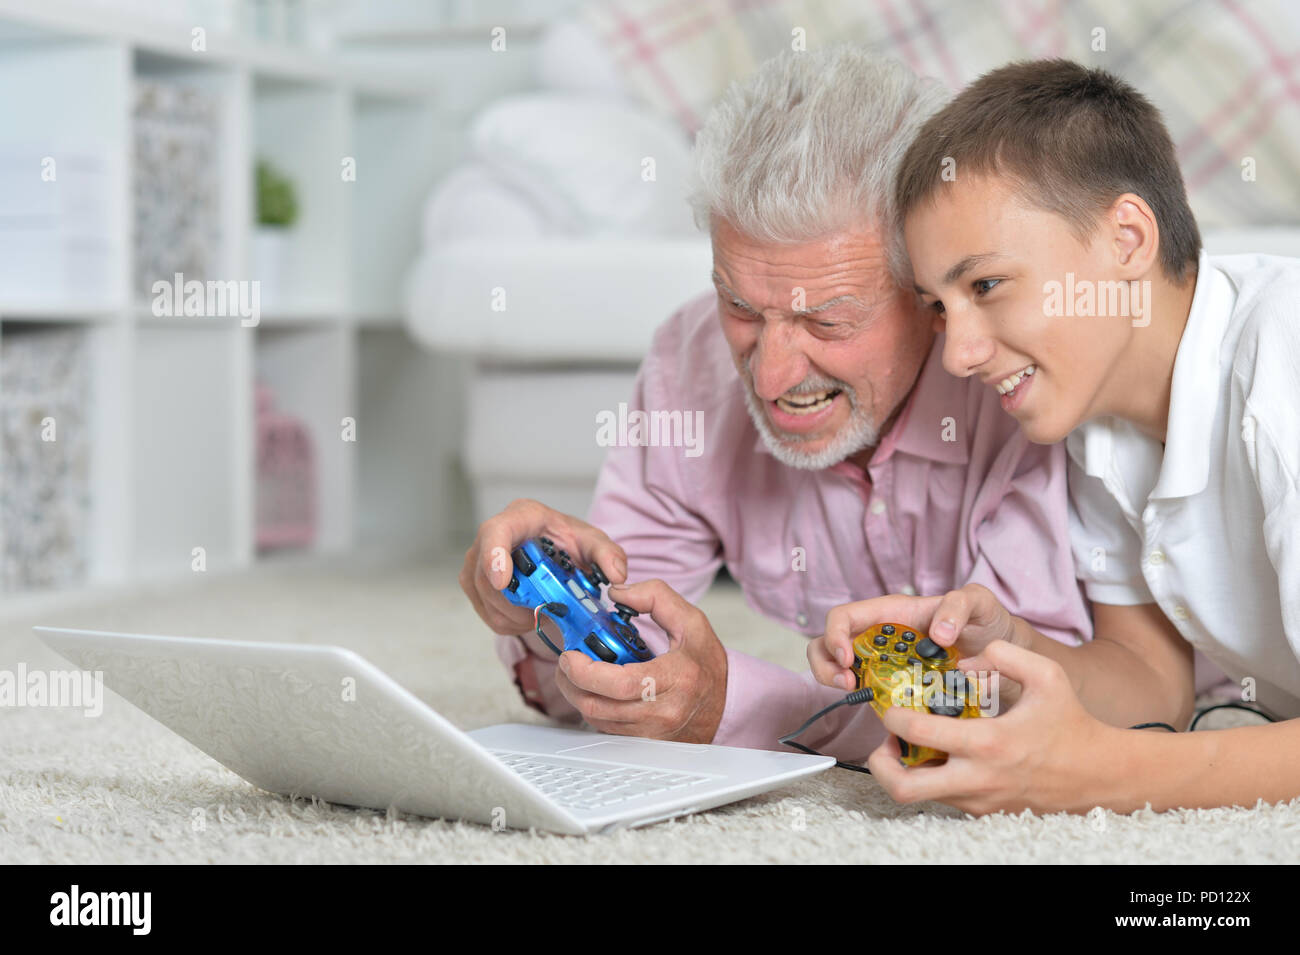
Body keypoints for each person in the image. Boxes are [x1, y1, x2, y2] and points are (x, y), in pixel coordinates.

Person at [461, 48, 1097, 760]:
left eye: (827, 321)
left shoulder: (1012, 386)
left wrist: (731, 703)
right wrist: (538, 615)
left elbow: (1022, 706)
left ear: (929, 294)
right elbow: (613, 673)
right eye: (738, 305)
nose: (767, 377)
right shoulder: (690, 362)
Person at [811, 58, 1300, 812]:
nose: (959, 352)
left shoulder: (1284, 362)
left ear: (1128, 239)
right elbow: (1153, 683)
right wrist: (1006, 653)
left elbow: (1128, 750)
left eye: (985, 286)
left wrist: (1102, 773)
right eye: (940, 306)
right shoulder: (1097, 423)